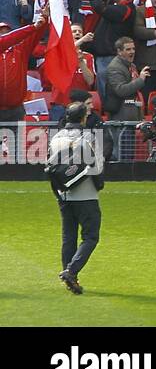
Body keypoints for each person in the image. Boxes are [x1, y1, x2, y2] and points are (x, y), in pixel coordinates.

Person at [48, 100, 103, 295]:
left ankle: (70, 276)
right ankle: (71, 271)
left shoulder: (55, 138)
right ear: (83, 117)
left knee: (68, 237)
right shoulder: (88, 138)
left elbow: (52, 168)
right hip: (86, 195)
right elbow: (96, 168)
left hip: (64, 195)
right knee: (90, 236)